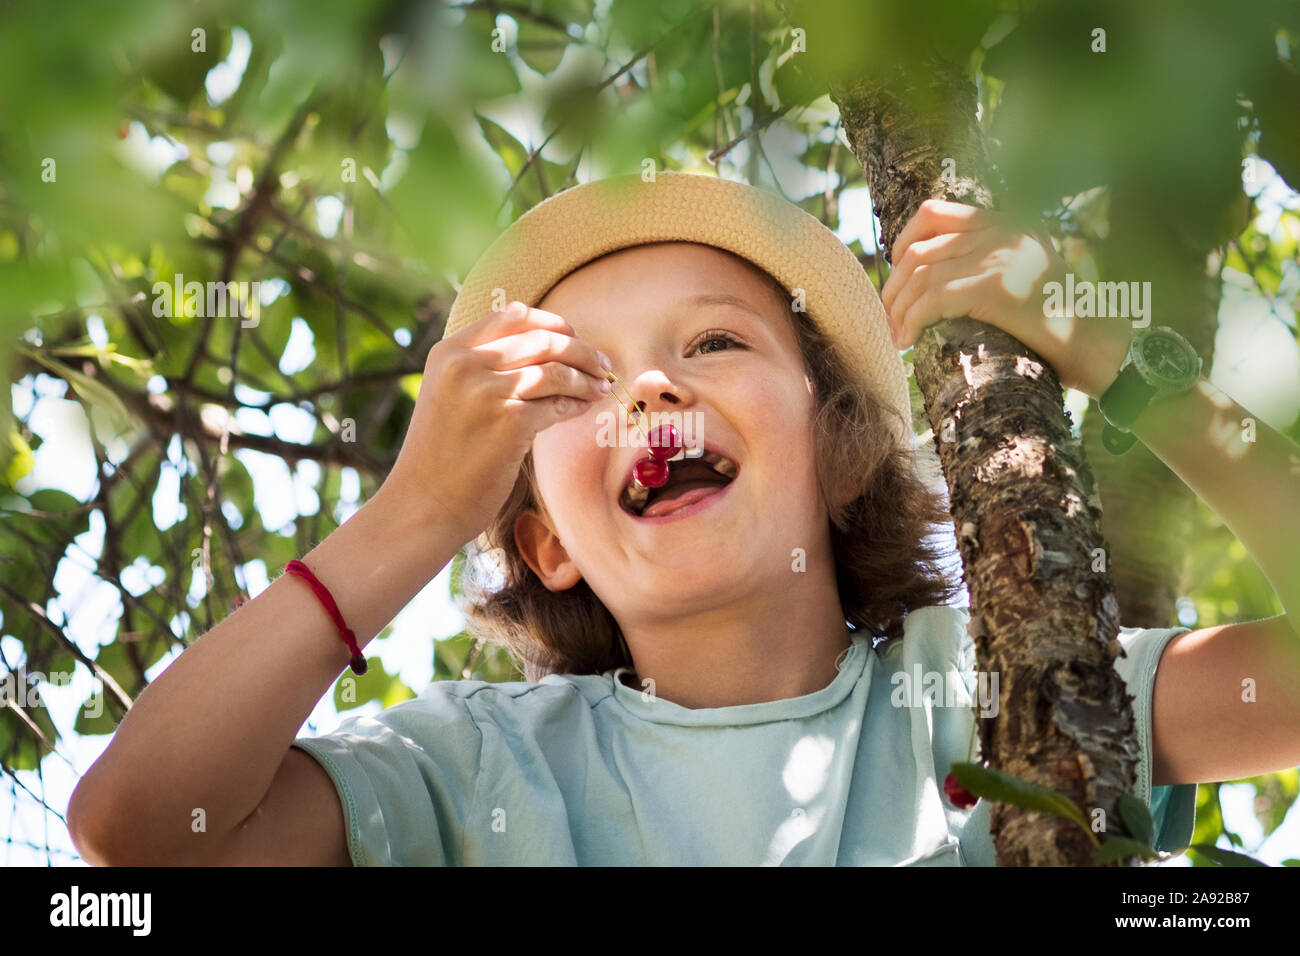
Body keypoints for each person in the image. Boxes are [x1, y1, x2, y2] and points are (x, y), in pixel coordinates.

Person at [67, 172, 1300, 866]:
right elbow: (140, 828)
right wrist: (419, 511)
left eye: (714, 340)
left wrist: (1134, 364)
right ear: (545, 540)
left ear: (842, 454)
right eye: (581, 385)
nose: (654, 389)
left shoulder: (989, 681)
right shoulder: (477, 771)